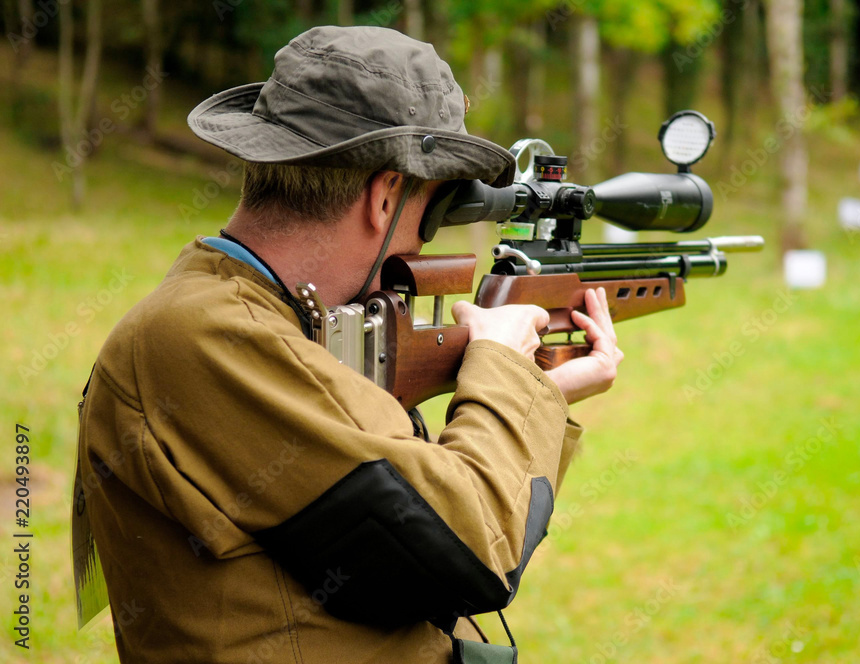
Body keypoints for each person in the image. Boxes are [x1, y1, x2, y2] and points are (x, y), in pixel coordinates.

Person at [75, 25, 623, 664]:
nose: (423, 243)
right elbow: (470, 552)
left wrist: (542, 395)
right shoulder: (206, 336)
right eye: (434, 208)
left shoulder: (259, 318)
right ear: (385, 194)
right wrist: (501, 365)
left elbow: (406, 548)